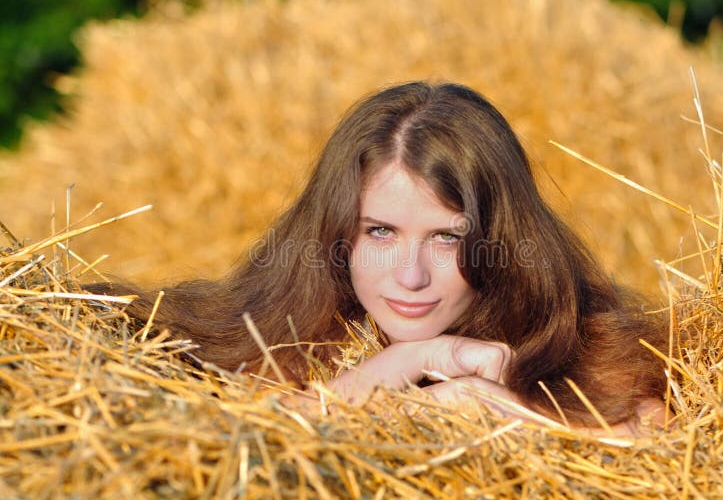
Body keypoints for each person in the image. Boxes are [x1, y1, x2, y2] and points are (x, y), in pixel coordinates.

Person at [87, 82, 670, 433]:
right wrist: (400, 370)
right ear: (337, 232)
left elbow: (657, 441)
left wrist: (509, 417)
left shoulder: (569, 342)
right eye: (381, 232)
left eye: (447, 237)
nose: (410, 277)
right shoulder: (262, 336)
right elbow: (221, 443)